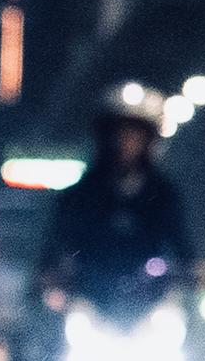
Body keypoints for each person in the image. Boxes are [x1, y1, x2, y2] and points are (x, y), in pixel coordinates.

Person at [36, 91, 191, 311]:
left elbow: (181, 243)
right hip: (90, 302)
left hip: (150, 302)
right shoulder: (81, 194)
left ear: (148, 141)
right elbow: (57, 242)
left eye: (136, 136)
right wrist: (51, 277)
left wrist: (192, 271)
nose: (127, 143)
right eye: (120, 135)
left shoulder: (164, 194)